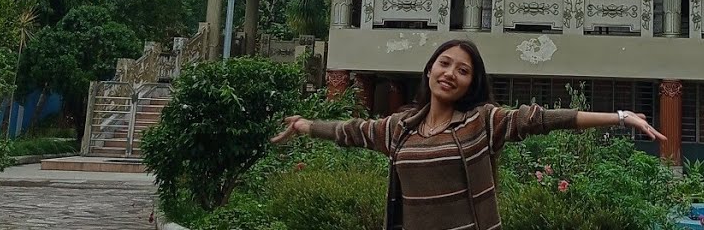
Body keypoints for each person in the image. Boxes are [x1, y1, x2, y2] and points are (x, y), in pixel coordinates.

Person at [271, 39, 665, 230]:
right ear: (429, 70)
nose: (451, 74)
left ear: (470, 84)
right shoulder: (398, 128)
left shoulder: (481, 122)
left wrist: (619, 115)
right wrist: (306, 125)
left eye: (463, 70)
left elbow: (542, 119)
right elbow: (350, 131)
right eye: (445, 64)